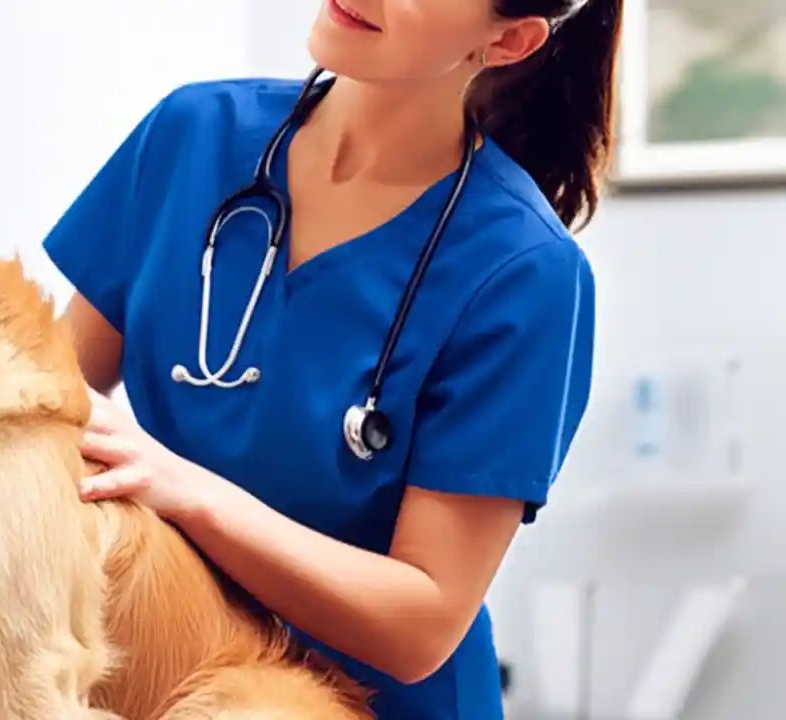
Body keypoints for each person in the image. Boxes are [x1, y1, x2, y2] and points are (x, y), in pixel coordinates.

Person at [42, 1, 620, 718]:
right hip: (166, 682)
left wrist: (190, 494)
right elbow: (50, 400)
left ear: (508, 40)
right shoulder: (191, 136)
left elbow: (421, 622)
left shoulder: (524, 271)